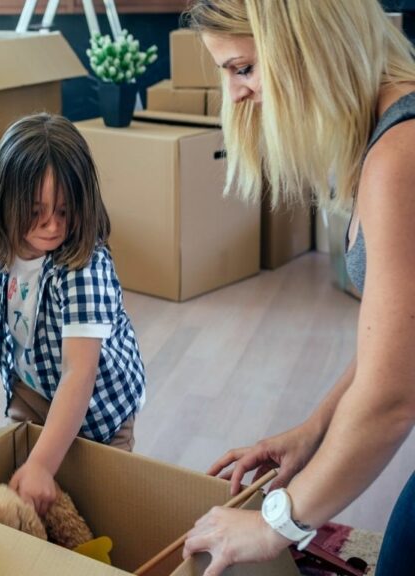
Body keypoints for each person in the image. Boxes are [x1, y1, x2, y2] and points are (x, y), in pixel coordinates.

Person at [179, 2, 415, 575]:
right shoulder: (385, 133)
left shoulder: (400, 155)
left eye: (243, 68)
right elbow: (397, 352)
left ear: (306, 46)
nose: (233, 95)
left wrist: (274, 524)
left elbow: (391, 400)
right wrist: (313, 432)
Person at [0, 113, 146, 517]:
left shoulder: (84, 267)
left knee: (100, 502)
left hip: (100, 406)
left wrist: (44, 463)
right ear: (8, 203)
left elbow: (80, 372)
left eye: (64, 211)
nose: (50, 226)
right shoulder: (1, 242)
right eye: (35, 211)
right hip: (30, 386)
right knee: (28, 485)